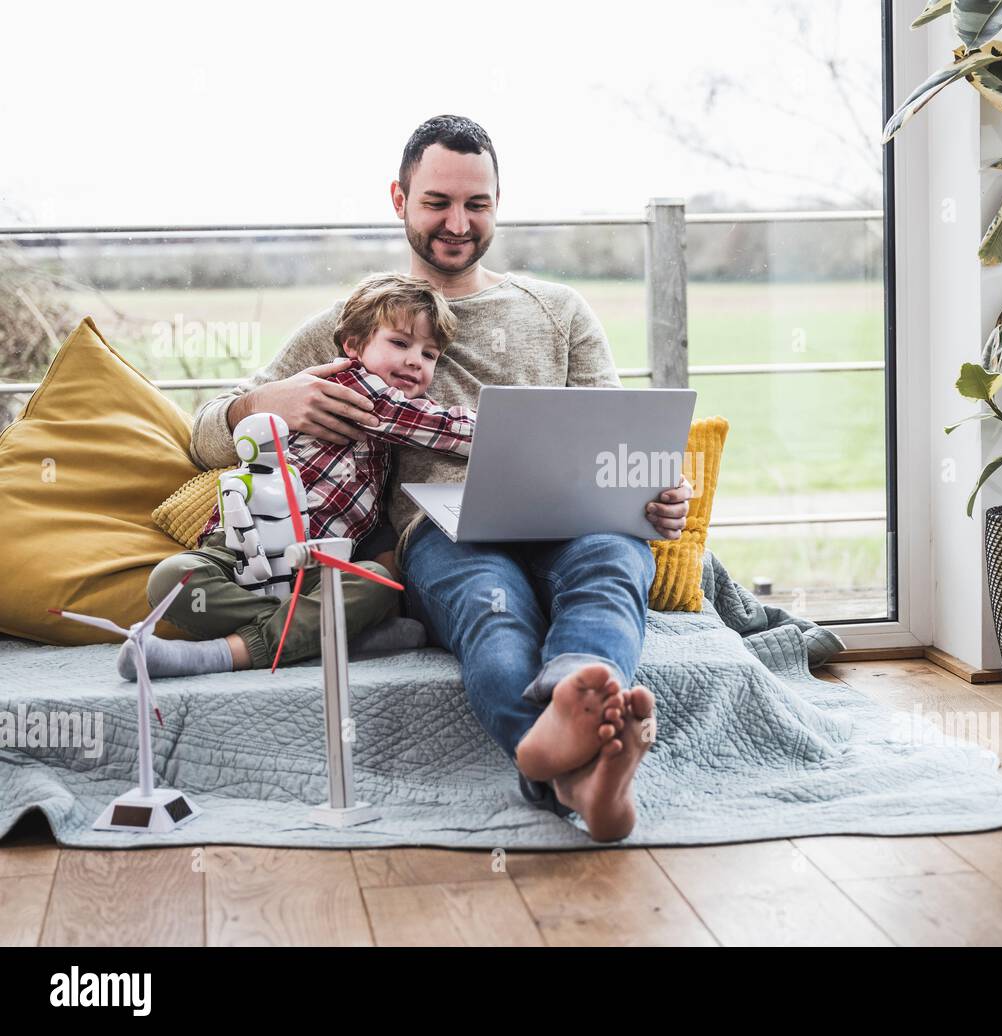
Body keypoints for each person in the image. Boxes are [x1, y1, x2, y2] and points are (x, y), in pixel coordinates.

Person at [188, 115, 691, 842]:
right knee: (493, 617)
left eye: (477, 205)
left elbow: (615, 439)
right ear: (399, 200)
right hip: (446, 534)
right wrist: (267, 401)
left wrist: (653, 495)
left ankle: (570, 729)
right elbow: (202, 434)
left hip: (574, 518)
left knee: (613, 563)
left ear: (497, 204)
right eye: (437, 203)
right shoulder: (354, 321)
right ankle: (580, 774)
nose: (458, 223)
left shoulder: (559, 311)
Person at [125, 272, 480, 681]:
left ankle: (245, 648)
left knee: (380, 583)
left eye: (430, 354)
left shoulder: (392, 424)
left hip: (316, 562)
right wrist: (507, 427)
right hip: (244, 548)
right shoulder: (358, 386)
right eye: (400, 343)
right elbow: (445, 427)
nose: (415, 360)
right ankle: (329, 631)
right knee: (172, 580)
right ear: (353, 346)